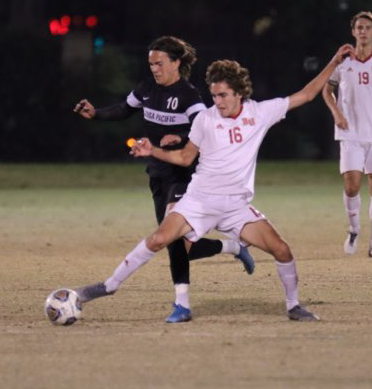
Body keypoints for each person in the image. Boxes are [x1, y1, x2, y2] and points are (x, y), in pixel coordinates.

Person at [73, 43, 356, 322]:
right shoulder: (205, 120)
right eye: (214, 95)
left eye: (222, 95)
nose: (217, 101)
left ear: (239, 93)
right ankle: (109, 286)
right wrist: (153, 151)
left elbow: (306, 95)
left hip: (236, 206)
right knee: (161, 239)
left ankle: (293, 306)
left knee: (282, 250)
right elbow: (185, 158)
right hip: (200, 199)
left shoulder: (260, 112)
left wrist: (334, 61)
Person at [72, 36, 254, 323]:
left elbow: (207, 127)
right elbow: (124, 109)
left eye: (159, 63)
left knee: (171, 238)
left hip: (184, 175)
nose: (154, 68)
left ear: (176, 63)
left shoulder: (189, 95)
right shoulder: (146, 88)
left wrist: (181, 137)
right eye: (151, 63)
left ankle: (181, 305)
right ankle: (232, 247)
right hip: (157, 172)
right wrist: (95, 114)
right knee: (177, 244)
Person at [322, 11, 372, 258]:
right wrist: (336, 113)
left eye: (367, 27)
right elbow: (326, 89)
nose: (363, 31)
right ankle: (354, 229)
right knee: (352, 185)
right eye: (359, 27)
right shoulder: (343, 62)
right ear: (353, 32)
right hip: (349, 133)